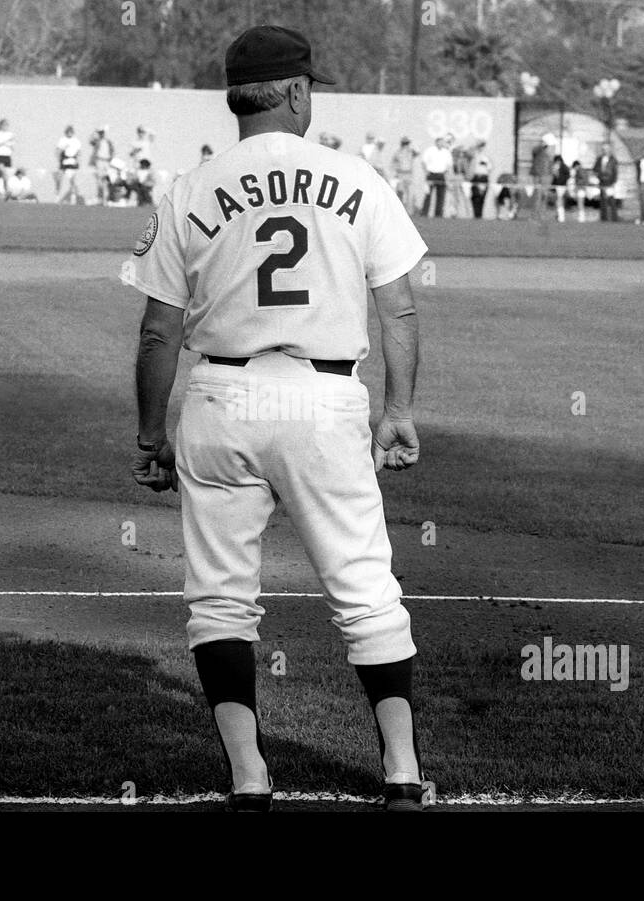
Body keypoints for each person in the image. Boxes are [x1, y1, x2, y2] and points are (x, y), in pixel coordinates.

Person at [126, 24, 429, 814]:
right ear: (296, 91)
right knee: (365, 587)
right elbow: (397, 308)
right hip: (323, 399)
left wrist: (151, 434)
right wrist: (398, 410)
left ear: (236, 96)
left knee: (220, 599)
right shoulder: (355, 177)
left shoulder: (189, 189)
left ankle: (249, 777)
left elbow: (158, 332)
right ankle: (401, 771)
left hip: (222, 398)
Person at [420, 135, 450, 217]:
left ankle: (438, 214)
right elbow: (423, 162)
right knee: (428, 194)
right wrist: (426, 172)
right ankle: (424, 213)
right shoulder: (430, 150)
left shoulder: (446, 152)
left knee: (441, 195)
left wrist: (446, 174)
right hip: (431, 174)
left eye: (442, 142)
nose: (441, 143)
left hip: (441, 175)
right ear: (436, 142)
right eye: (440, 142)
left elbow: (449, 164)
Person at [55, 125, 82, 203]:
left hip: (72, 161)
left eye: (71, 132)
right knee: (59, 179)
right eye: (68, 131)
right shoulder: (62, 140)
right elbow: (58, 151)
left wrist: (78, 161)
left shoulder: (76, 141)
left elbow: (79, 152)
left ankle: (73, 197)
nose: (69, 133)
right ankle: (57, 196)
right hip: (64, 161)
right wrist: (59, 159)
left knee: (72, 180)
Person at [89, 126, 114, 205]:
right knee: (99, 180)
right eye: (100, 133)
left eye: (102, 132)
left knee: (106, 180)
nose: (102, 134)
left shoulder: (108, 141)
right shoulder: (97, 141)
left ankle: (105, 199)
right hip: (99, 161)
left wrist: (111, 160)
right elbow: (91, 141)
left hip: (107, 161)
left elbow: (112, 151)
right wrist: (94, 132)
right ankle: (100, 198)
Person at [391, 137, 417, 211]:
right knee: (400, 192)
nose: (406, 145)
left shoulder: (411, 152)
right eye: (404, 143)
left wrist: (412, 144)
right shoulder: (397, 152)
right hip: (400, 174)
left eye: (407, 143)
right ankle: (399, 210)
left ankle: (409, 210)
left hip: (409, 174)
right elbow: (393, 163)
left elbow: (418, 151)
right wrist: (395, 173)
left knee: (410, 193)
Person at [593, 148, 618, 223]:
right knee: (603, 201)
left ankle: (614, 218)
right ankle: (604, 218)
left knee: (611, 200)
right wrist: (598, 176)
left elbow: (615, 172)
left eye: (607, 149)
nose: (605, 151)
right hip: (602, 182)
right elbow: (595, 169)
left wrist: (614, 182)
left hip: (610, 182)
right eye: (604, 150)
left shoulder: (613, 160)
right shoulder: (599, 159)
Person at [469, 140, 491, 219]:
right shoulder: (474, 155)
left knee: (482, 197)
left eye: (482, 146)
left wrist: (484, 163)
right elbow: (470, 152)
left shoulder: (486, 157)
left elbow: (489, 168)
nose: (481, 148)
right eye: (480, 146)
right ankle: (476, 215)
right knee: (475, 197)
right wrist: (476, 146)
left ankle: (480, 215)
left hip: (483, 178)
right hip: (476, 177)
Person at [550, 153, 570, 223]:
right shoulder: (557, 167)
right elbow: (555, 178)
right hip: (557, 186)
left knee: (559, 200)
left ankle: (561, 217)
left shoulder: (563, 167)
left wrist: (561, 180)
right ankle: (558, 215)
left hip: (561, 186)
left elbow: (566, 176)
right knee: (558, 201)